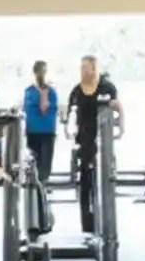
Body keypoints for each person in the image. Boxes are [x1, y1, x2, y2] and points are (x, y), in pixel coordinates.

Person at [66, 56, 123, 235]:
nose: (84, 71)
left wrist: (121, 128)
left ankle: (105, 222)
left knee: (105, 179)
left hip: (103, 139)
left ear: (95, 68)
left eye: (88, 68)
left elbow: (119, 108)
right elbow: (71, 114)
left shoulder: (107, 88)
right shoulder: (76, 91)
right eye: (82, 68)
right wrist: (69, 130)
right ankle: (87, 224)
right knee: (86, 182)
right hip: (84, 139)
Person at [23, 61, 58, 185]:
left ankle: (41, 190)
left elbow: (44, 109)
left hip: (44, 131)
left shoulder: (49, 92)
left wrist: (43, 93)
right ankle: (38, 190)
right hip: (34, 131)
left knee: (42, 167)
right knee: (36, 166)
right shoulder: (29, 91)